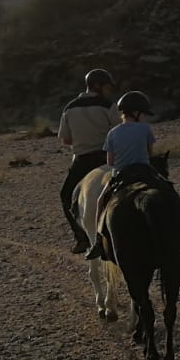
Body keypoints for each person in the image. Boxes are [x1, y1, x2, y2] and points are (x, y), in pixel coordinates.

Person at [85, 90, 180, 258]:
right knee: (170, 190)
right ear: (136, 113)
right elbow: (149, 153)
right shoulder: (145, 129)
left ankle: (99, 240)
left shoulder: (112, 133)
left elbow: (110, 161)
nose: (145, 118)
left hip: (120, 174)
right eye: (143, 114)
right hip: (144, 171)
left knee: (100, 201)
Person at [58, 68, 116, 253]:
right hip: (104, 158)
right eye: (106, 87)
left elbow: (65, 139)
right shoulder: (108, 105)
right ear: (97, 86)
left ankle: (81, 238)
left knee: (66, 195)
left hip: (82, 161)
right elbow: (117, 130)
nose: (108, 91)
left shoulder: (69, 108)